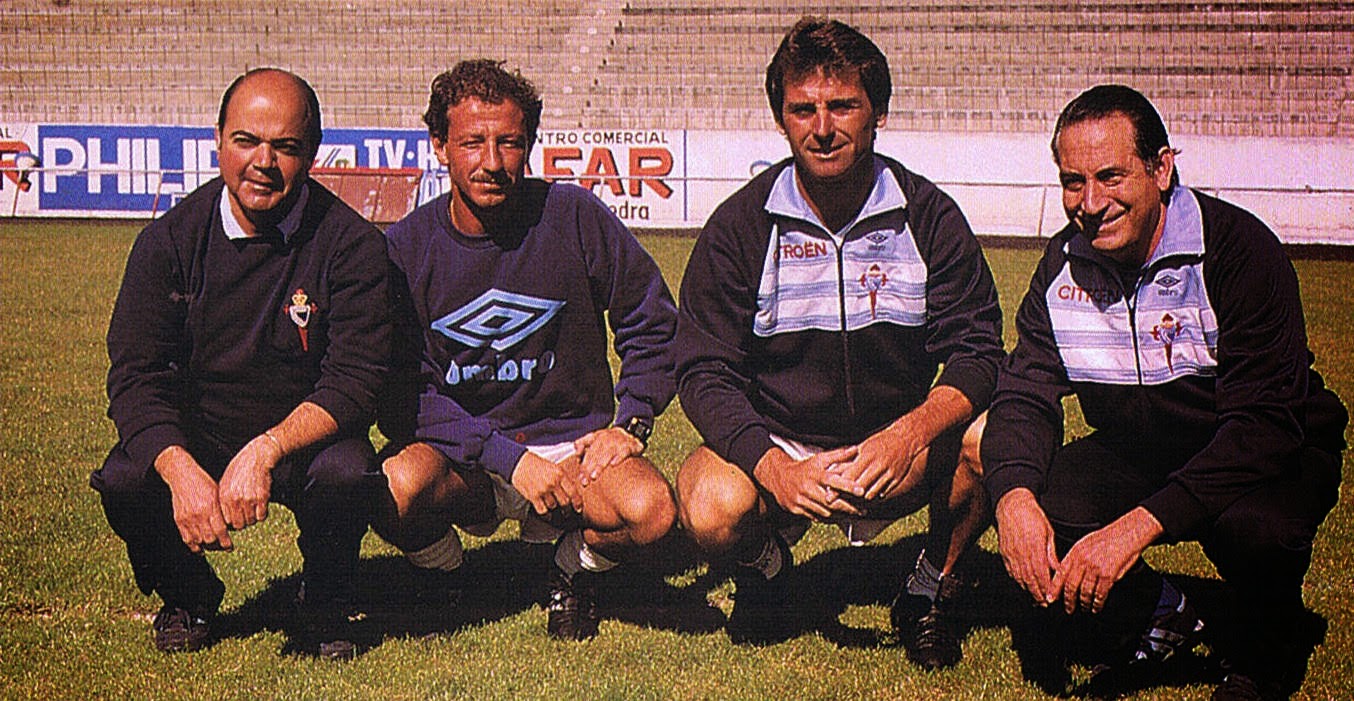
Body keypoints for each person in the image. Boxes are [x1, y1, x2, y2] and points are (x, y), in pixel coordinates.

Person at [973, 84, 1346, 700]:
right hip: (1146, 444)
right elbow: (1024, 391)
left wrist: (1135, 528)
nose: (1090, 203)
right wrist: (1011, 499)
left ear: (1162, 168)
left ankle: (1267, 648)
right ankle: (1164, 614)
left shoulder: (1238, 250)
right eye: (1073, 181)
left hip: (1263, 451)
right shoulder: (1062, 265)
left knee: (1258, 529)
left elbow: (1264, 426)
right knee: (1050, 494)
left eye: (1111, 176)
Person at [673, 18, 1003, 667]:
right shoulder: (742, 225)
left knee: (997, 434)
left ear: (876, 110)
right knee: (709, 501)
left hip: (895, 448)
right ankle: (770, 571)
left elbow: (980, 348)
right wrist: (773, 466)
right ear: (782, 120)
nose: (822, 127)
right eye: (803, 109)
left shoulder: (926, 214)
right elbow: (703, 369)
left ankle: (929, 586)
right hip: (784, 451)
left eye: (842, 105)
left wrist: (908, 434)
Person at [90, 68, 393, 660]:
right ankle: (190, 594)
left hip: (301, 436)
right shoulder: (169, 241)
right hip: (199, 434)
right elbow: (135, 375)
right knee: (127, 478)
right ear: (218, 138)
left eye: (286, 147)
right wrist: (180, 470)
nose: (263, 162)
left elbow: (357, 380)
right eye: (246, 141)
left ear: (312, 151)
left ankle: (326, 599)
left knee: (347, 473)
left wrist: (266, 449)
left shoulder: (353, 244)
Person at [372, 59, 679, 641]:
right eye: (472, 142)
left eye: (509, 143)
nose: (492, 162)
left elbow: (652, 321)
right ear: (439, 145)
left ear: (530, 145)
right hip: (467, 457)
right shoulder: (404, 249)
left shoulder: (573, 215)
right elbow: (401, 393)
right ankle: (447, 574)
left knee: (654, 511)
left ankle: (571, 570)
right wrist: (507, 460)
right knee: (390, 486)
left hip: (574, 455)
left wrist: (630, 422)